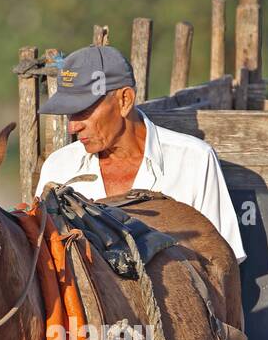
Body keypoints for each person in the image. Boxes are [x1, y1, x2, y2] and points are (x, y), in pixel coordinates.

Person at [35, 44, 246, 262]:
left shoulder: (194, 162)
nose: (73, 127)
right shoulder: (59, 167)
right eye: (70, 114)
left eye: (83, 110)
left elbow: (224, 263)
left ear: (124, 100)